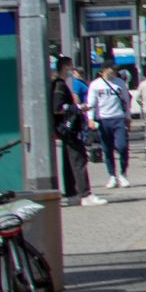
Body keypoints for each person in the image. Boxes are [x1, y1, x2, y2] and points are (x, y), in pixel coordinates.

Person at [51, 56, 103, 207]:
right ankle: (84, 194)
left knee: (69, 161)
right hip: (68, 128)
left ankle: (72, 194)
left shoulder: (58, 84)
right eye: (70, 66)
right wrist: (78, 107)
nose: (71, 70)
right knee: (79, 159)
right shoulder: (59, 85)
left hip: (64, 129)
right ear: (65, 67)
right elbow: (58, 108)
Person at [85, 63, 132, 187]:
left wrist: (128, 117)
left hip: (118, 118)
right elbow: (91, 103)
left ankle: (123, 173)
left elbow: (126, 101)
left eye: (115, 70)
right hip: (103, 119)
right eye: (112, 69)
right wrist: (90, 118)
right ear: (104, 70)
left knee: (122, 146)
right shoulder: (95, 85)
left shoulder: (120, 83)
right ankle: (112, 175)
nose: (114, 72)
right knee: (107, 149)